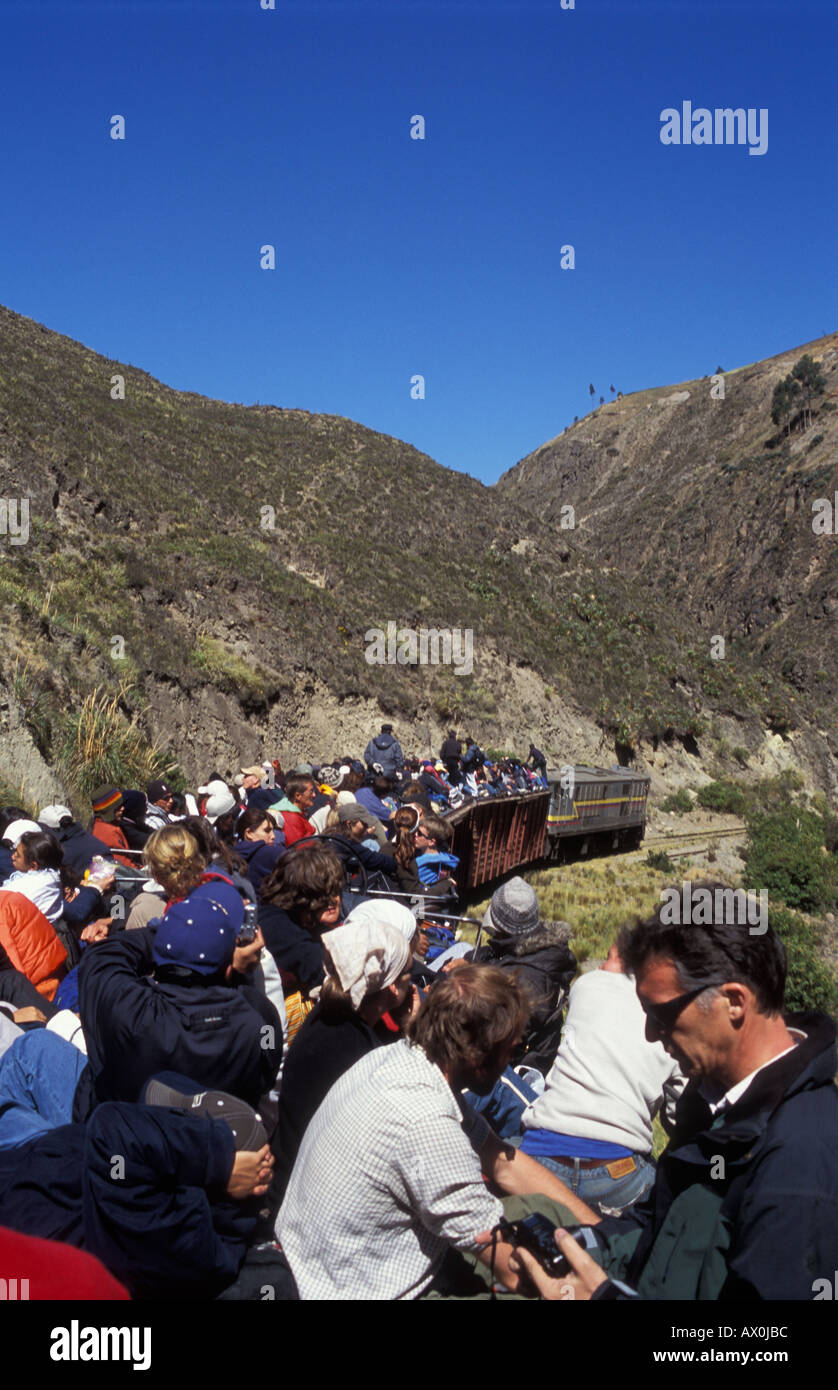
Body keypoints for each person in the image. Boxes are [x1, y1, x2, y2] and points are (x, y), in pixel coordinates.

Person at [508, 885, 838, 1301]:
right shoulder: (715, 1101)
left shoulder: (803, 1161)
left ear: (733, 1002)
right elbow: (656, 1223)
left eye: (661, 1014)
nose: (651, 1034)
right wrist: (580, 1247)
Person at [277, 963, 598, 1300]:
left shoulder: (397, 1060)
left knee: (545, 1209)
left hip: (317, 1263)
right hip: (353, 1289)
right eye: (509, 1050)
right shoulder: (428, 1124)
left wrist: (601, 1229)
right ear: (477, 1055)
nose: (509, 1062)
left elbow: (499, 1158)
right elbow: (510, 1268)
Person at [76, 885, 282, 1116]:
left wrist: (175, 930)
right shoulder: (260, 1019)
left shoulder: (127, 1008)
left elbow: (102, 955)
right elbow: (267, 1074)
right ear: (228, 969)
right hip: (216, 1141)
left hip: (127, 1141)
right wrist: (239, 971)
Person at [519, 934, 684, 1211]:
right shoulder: (674, 1017)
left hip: (540, 1156)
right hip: (617, 1171)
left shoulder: (586, 985)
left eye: (608, 958)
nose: (601, 967)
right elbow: (681, 1118)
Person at [273, 906, 415, 1201]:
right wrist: (415, 1031)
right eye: (408, 975)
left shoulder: (330, 1015)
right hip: (307, 1193)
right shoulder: (356, 1051)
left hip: (291, 1175)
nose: (412, 984)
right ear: (390, 988)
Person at [467, 876, 577, 1074]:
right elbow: (497, 957)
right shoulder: (540, 953)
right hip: (535, 1055)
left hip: (512, 1072)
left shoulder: (521, 981)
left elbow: (486, 1038)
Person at [257, 842, 344, 996]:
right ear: (300, 893)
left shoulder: (299, 918)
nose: (333, 900)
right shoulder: (281, 928)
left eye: (335, 891)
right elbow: (323, 973)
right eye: (321, 894)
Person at [90, 787, 134, 868]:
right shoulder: (109, 832)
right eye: (118, 807)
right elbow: (124, 865)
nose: (123, 808)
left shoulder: (97, 824)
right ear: (109, 811)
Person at [268, 773, 317, 847]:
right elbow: (297, 848)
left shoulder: (296, 813)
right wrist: (312, 833)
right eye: (311, 792)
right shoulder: (291, 817)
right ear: (298, 796)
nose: (314, 795)